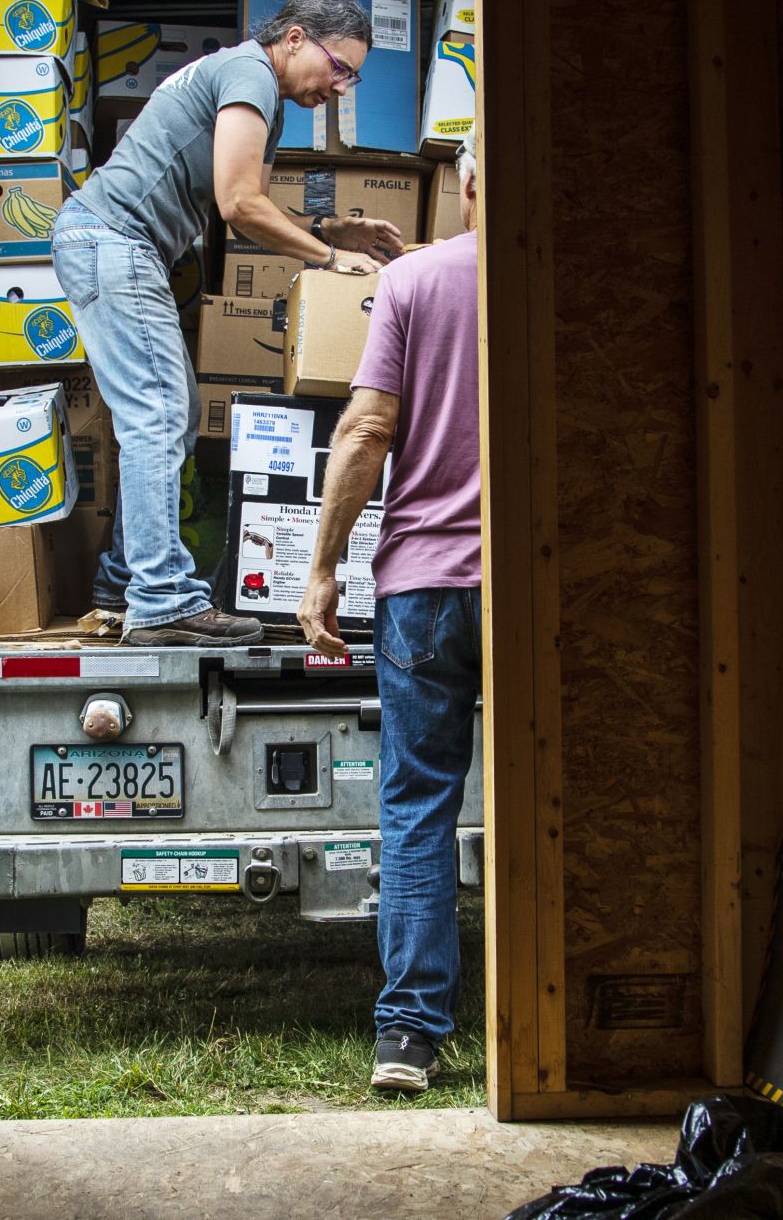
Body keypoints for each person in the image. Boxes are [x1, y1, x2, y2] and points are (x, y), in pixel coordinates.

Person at [51, 0, 405, 647]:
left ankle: (122, 582)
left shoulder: (259, 99)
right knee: (157, 412)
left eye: (351, 76)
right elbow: (240, 204)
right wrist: (331, 259)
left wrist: (336, 231)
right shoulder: (249, 74)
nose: (341, 85)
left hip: (116, 246)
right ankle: (161, 599)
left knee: (170, 412)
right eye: (338, 67)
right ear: (294, 38)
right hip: (113, 240)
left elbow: (245, 206)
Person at [296, 137, 481, 1093]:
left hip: (422, 588)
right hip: (530, 583)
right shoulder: (564, 276)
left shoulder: (413, 282)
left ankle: (408, 1033)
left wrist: (323, 569)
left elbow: (367, 428)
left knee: (417, 802)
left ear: (466, 188)